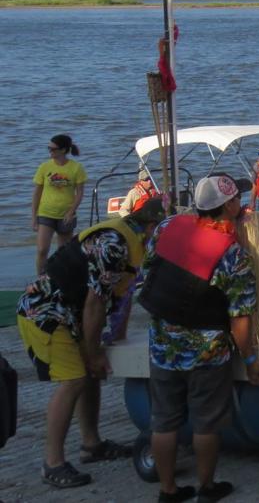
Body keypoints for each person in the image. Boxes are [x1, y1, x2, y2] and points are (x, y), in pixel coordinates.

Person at [16, 195, 167, 489]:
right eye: (161, 231)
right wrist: (95, 350)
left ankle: (91, 445)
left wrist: (116, 337)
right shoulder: (114, 244)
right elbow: (95, 304)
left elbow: (120, 296)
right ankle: (53, 463)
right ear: (150, 226)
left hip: (70, 312)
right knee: (73, 379)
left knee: (91, 376)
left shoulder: (133, 242)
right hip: (44, 311)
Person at [138, 174, 259, 503]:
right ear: (229, 205)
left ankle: (168, 491)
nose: (241, 203)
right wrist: (250, 359)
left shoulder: (169, 226)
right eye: (237, 198)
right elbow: (241, 315)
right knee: (206, 423)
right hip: (206, 351)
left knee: (163, 420)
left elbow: (149, 268)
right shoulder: (233, 255)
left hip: (163, 343)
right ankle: (207, 488)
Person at [32, 134, 88, 276]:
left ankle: (59, 279)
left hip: (66, 215)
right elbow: (37, 193)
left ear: (63, 150)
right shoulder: (44, 167)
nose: (50, 151)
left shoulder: (76, 168)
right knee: (42, 249)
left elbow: (80, 193)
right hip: (45, 213)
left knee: (63, 252)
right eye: (48, 148)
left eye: (53, 149)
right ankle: (40, 279)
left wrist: (71, 212)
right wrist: (34, 217)